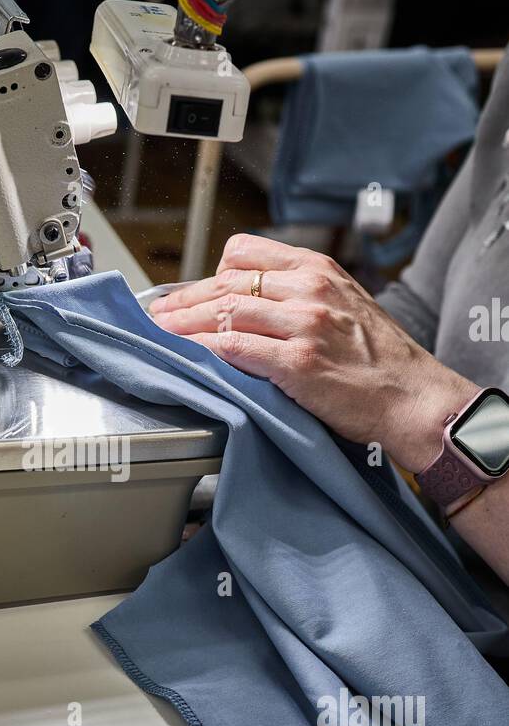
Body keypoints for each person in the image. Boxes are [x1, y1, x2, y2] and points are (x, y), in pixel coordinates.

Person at [150, 52, 509, 587]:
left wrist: (430, 409)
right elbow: (424, 307)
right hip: (437, 551)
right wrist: (276, 352)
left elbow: (415, 382)